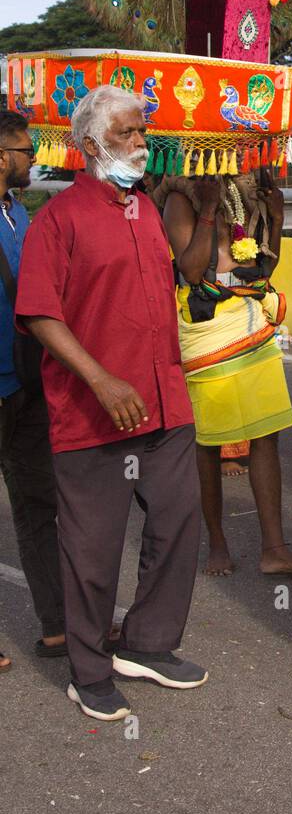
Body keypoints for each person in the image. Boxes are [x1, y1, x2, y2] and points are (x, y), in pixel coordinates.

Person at [16, 85, 208, 722]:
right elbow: (41, 313)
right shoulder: (60, 217)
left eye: (142, 131)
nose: (140, 143)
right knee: (91, 550)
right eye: (127, 133)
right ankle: (89, 670)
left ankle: (149, 644)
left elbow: (179, 282)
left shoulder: (148, 210)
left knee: (178, 525)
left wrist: (208, 212)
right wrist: (101, 380)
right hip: (94, 412)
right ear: (90, 144)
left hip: (166, 404)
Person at [160, 169, 292, 581]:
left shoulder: (242, 195)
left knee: (266, 435)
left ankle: (275, 548)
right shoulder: (182, 198)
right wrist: (209, 210)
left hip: (252, 321)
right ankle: (216, 541)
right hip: (206, 326)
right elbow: (193, 272)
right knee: (209, 441)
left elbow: (264, 272)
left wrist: (279, 218)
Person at [0, 111, 65, 674]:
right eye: (25, 151)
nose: (33, 158)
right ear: (1, 157)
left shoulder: (19, 211)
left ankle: (56, 625)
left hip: (24, 382)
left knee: (39, 504)